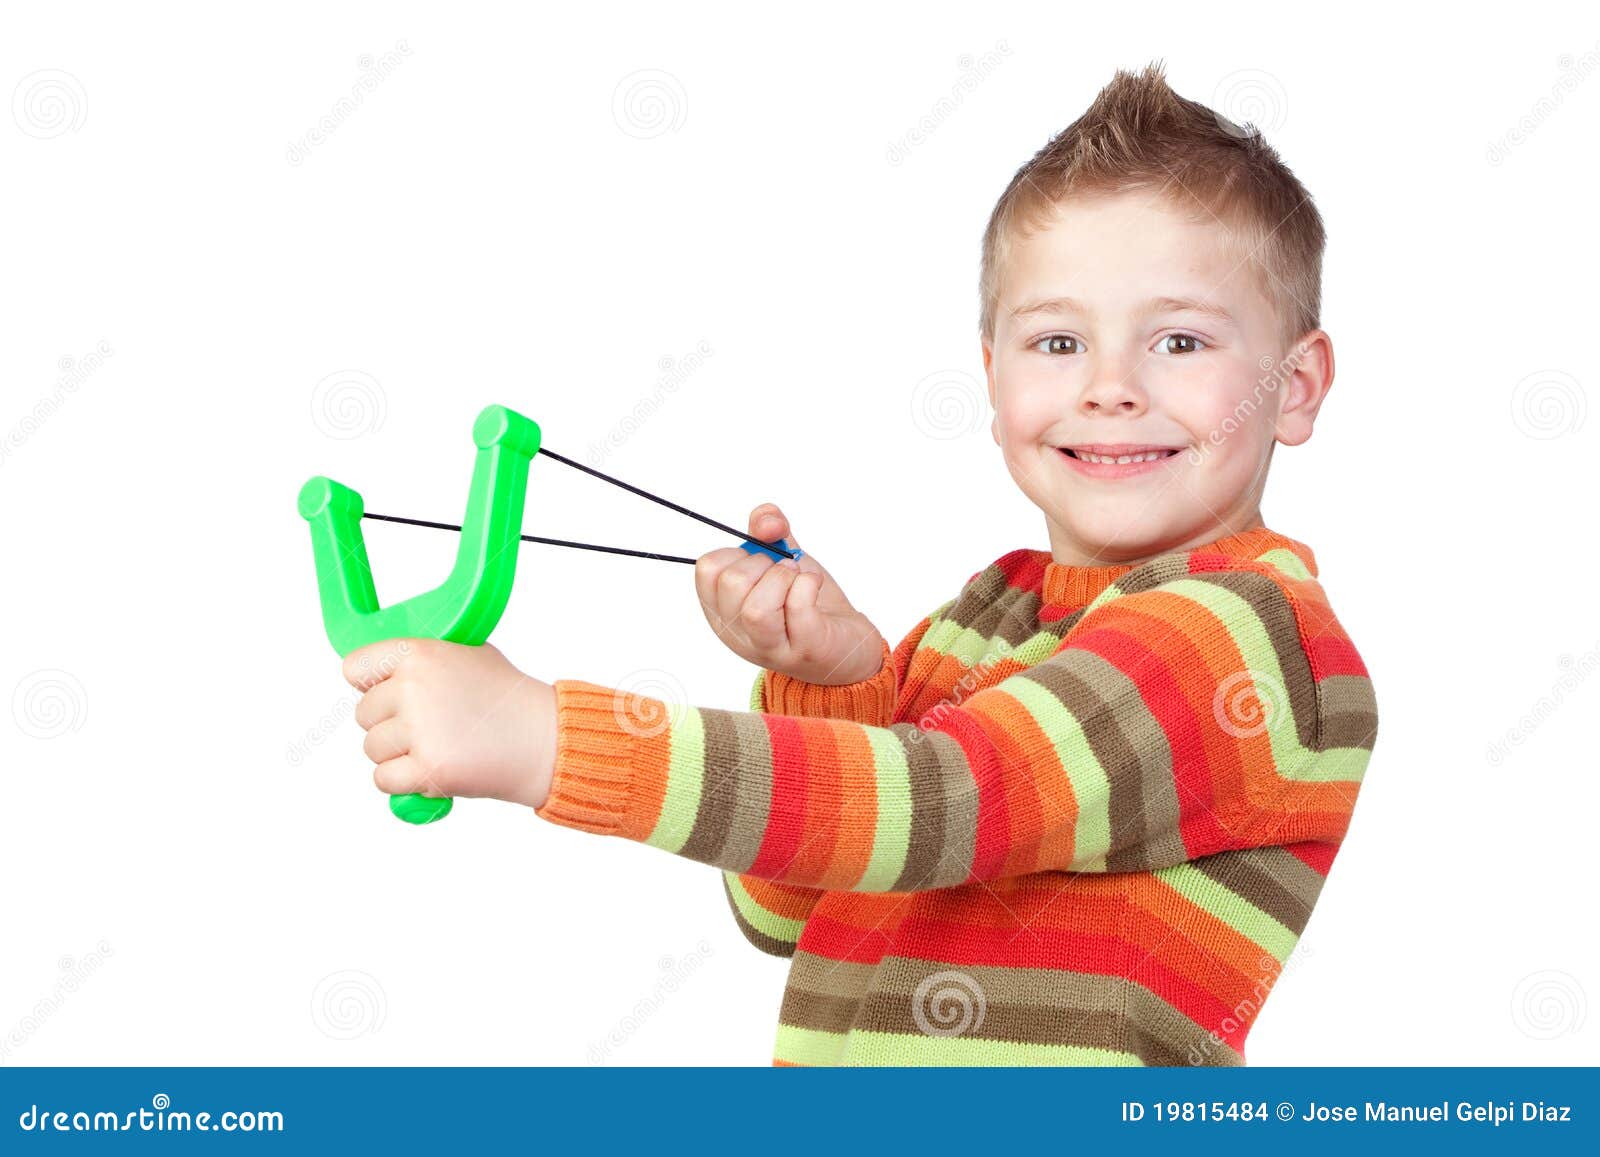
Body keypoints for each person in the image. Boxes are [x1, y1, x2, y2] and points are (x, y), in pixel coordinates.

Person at [341, 61, 1378, 1066]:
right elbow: (781, 907)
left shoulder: (1246, 630)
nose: (1110, 386)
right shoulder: (986, 615)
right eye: (1058, 343)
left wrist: (542, 735)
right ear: (992, 376)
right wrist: (832, 688)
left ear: (1293, 385)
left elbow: (945, 803)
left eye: (1180, 342)